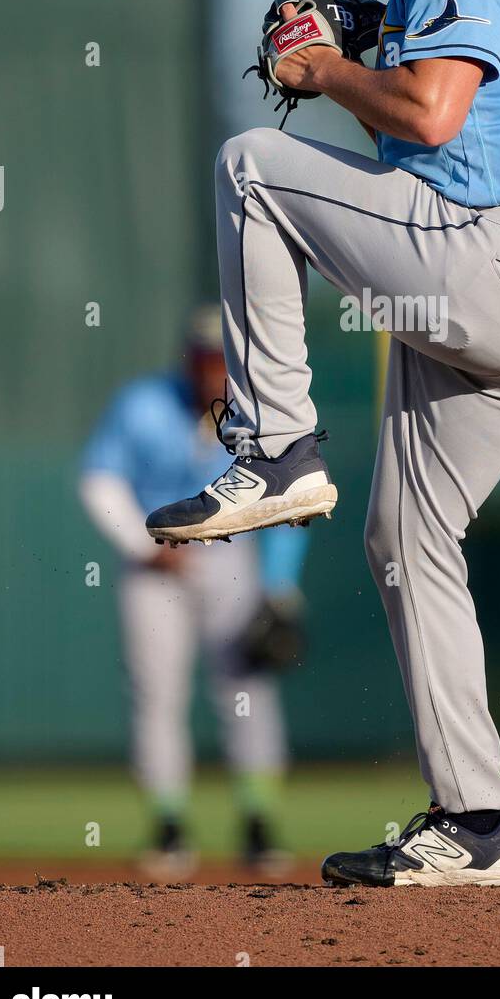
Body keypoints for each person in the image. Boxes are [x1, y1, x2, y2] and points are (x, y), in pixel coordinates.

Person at [146, 0, 500, 887]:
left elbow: (432, 118)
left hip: (498, 260)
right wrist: (364, 44)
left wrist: (327, 70)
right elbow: (433, 110)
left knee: (254, 164)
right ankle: (477, 825)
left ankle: (274, 447)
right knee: (406, 541)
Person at [79, 304, 309, 879]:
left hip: (232, 562)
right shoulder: (145, 402)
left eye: (223, 358)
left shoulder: (258, 413)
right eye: (207, 357)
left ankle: (258, 827)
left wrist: (279, 588)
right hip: (157, 568)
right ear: (192, 357)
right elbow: (99, 479)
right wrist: (140, 545)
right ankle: (169, 827)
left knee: (246, 689)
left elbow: (288, 500)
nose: (214, 369)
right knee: (157, 693)